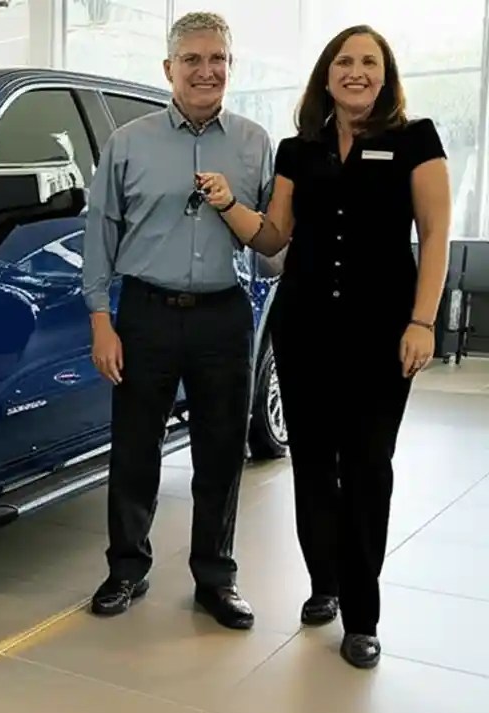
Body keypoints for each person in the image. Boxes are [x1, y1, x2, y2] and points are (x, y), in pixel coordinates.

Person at [196, 25, 451, 668]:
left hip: (382, 334)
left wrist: (422, 322)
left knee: (368, 469)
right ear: (326, 74)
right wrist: (229, 204)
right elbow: (275, 235)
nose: (356, 71)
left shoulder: (415, 139)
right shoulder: (297, 149)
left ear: (385, 75)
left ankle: (362, 615)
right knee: (311, 466)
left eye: (370, 62)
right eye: (345, 61)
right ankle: (324, 585)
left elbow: (436, 237)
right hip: (304, 328)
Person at [82, 11, 273, 630]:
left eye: (217, 58)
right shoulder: (129, 143)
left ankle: (216, 578)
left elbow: (269, 240)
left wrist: (234, 206)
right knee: (135, 450)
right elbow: (99, 234)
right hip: (145, 314)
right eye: (192, 59)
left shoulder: (253, 143)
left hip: (223, 315)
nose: (206, 70)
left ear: (229, 67)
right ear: (168, 69)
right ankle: (126, 569)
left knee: (221, 453)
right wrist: (100, 320)